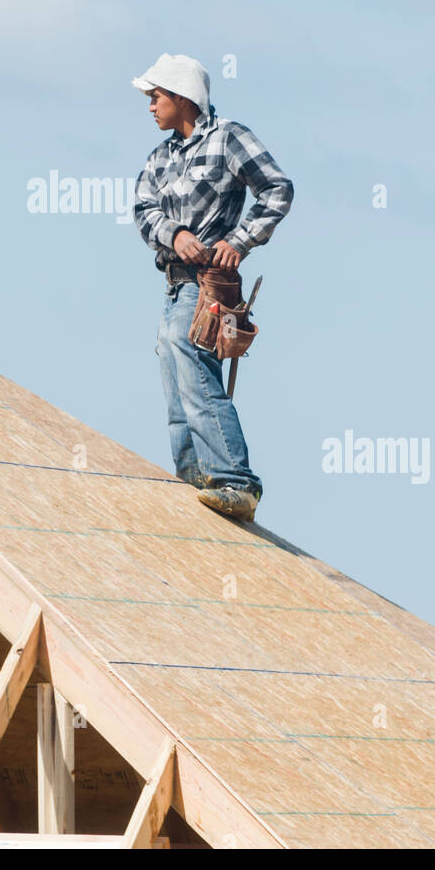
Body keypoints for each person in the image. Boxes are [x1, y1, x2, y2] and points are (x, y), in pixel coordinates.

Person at [132, 53, 294, 521]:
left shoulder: (229, 138)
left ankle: (234, 481)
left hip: (207, 285)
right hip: (174, 286)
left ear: (182, 97)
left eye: (155, 96)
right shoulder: (159, 157)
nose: (150, 105)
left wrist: (239, 242)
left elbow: (277, 188)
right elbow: (144, 212)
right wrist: (174, 234)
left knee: (191, 363)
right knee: (175, 374)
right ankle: (195, 479)